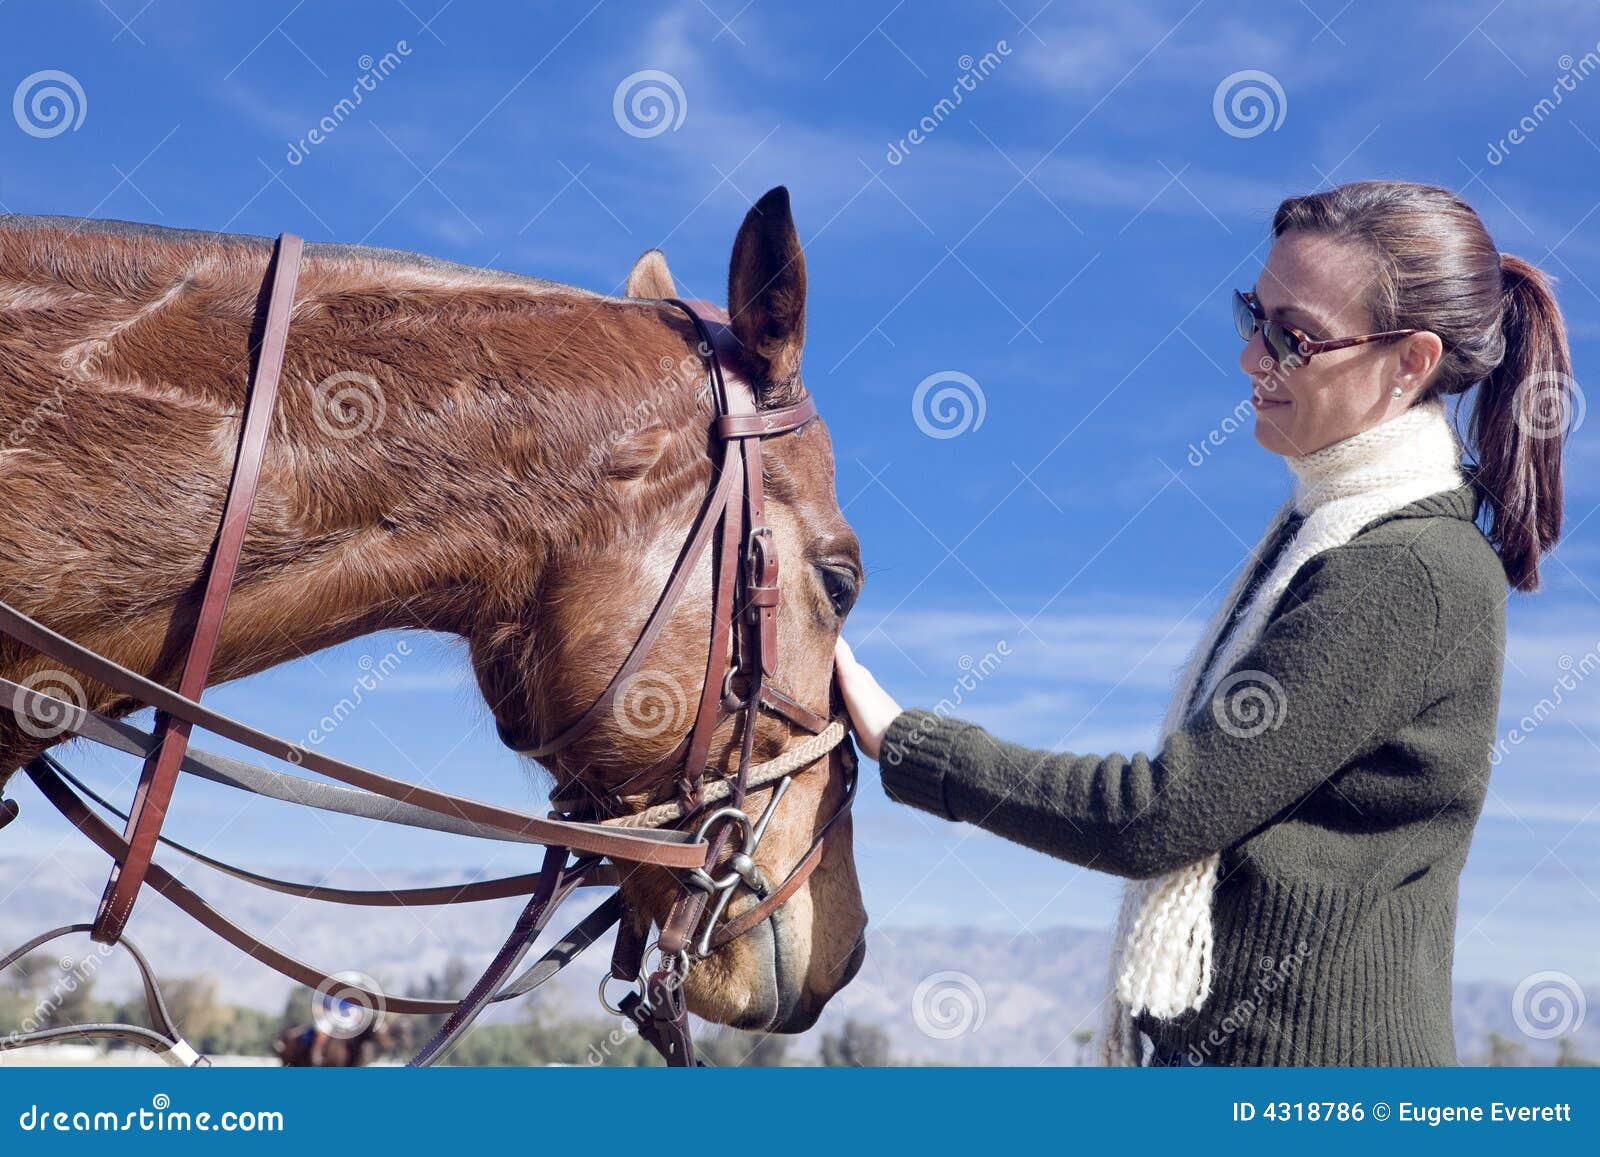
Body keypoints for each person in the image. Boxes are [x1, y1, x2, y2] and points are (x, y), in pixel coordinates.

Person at [833, 180, 1574, 1067]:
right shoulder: (1326, 532)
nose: (1251, 359)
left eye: (1293, 337)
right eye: (1251, 317)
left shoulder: (1405, 570)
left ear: (1411, 362)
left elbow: (1159, 814)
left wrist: (910, 742)